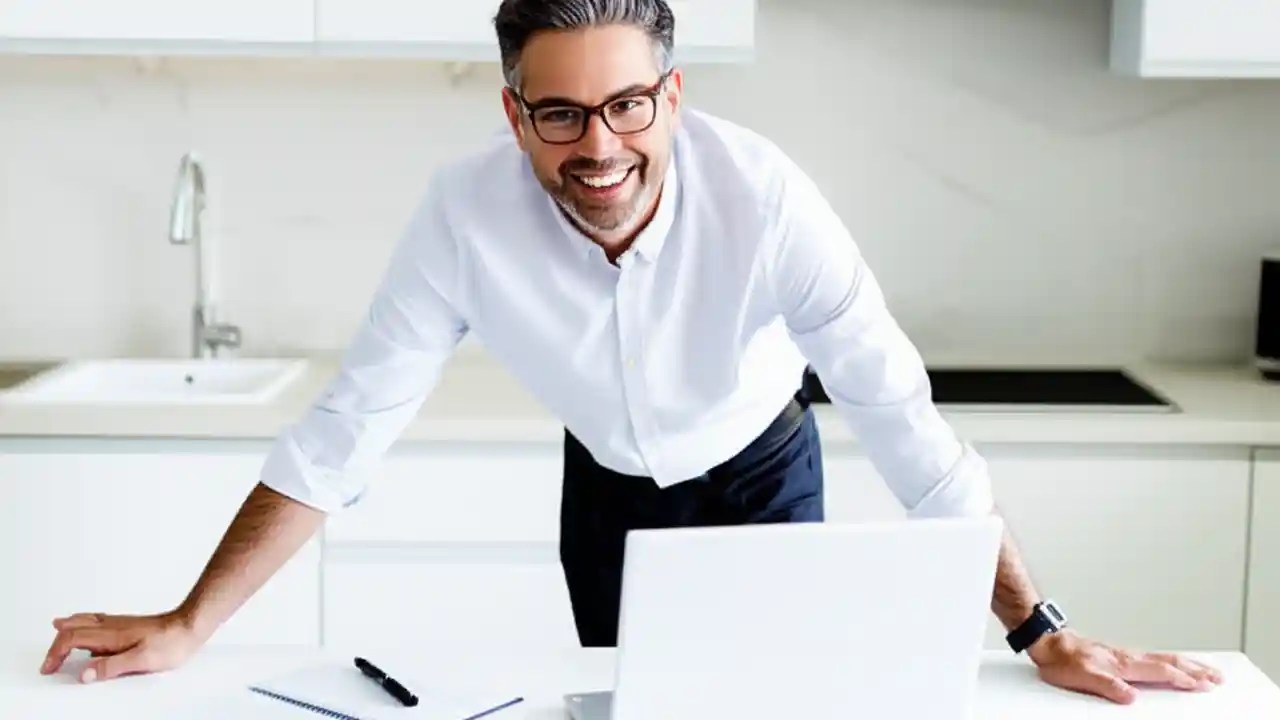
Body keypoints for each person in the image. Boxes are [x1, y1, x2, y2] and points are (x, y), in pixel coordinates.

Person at [40, 0, 1223, 705]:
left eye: (626, 107)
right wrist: (192, 622)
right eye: (557, 113)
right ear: (512, 114)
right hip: (607, 491)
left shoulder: (765, 201)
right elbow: (343, 435)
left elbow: (902, 422)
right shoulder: (461, 216)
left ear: (671, 95)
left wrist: (1036, 627)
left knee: (771, 712)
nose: (596, 147)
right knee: (627, 714)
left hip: (762, 467)